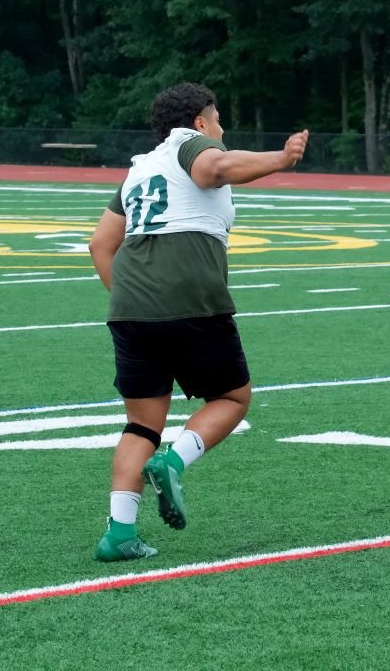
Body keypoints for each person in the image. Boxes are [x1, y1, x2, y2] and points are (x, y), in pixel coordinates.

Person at [87, 83, 308, 561]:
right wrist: (280, 159)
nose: (222, 129)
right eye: (218, 119)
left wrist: (134, 298)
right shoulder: (192, 144)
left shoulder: (139, 169)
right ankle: (174, 460)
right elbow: (216, 168)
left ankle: (119, 534)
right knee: (232, 397)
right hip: (190, 298)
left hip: (130, 309)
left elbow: (99, 245)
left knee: (140, 426)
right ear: (200, 121)